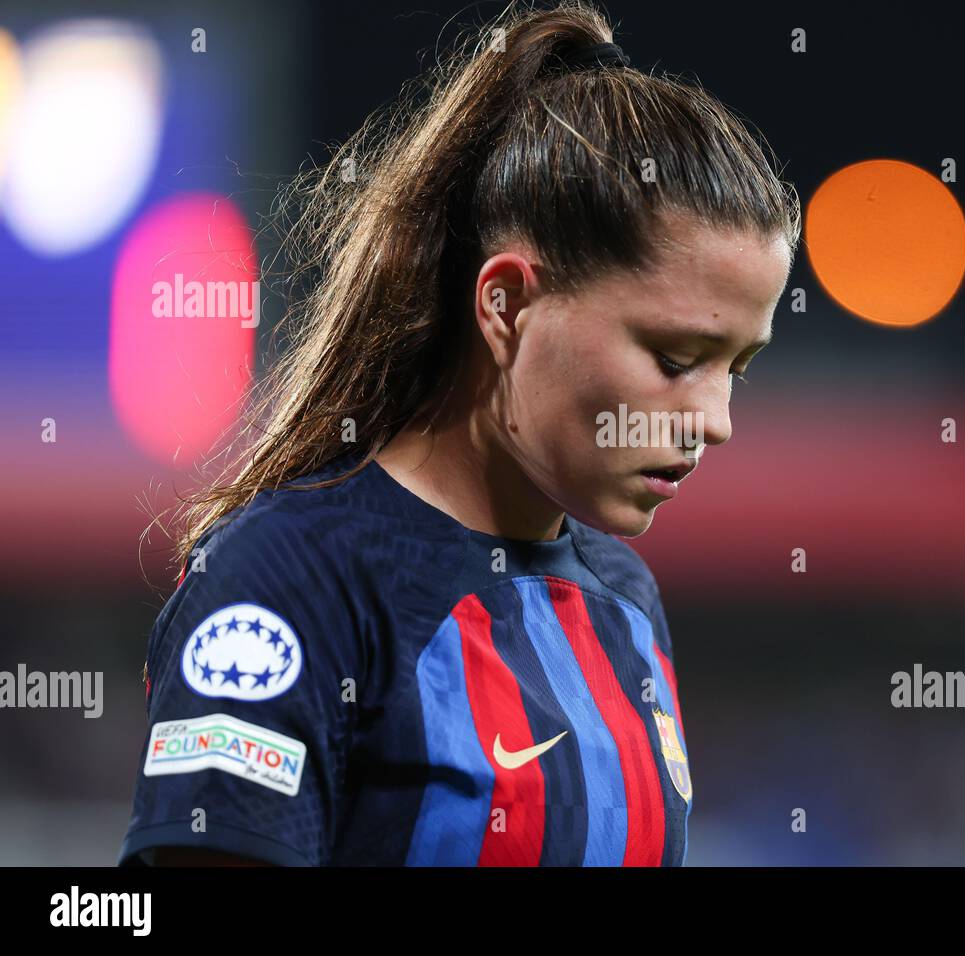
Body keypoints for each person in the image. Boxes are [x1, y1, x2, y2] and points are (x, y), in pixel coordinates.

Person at [118, 0, 799, 866]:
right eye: (674, 358)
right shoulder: (286, 580)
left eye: (736, 367)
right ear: (507, 303)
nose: (717, 421)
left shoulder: (624, 602)